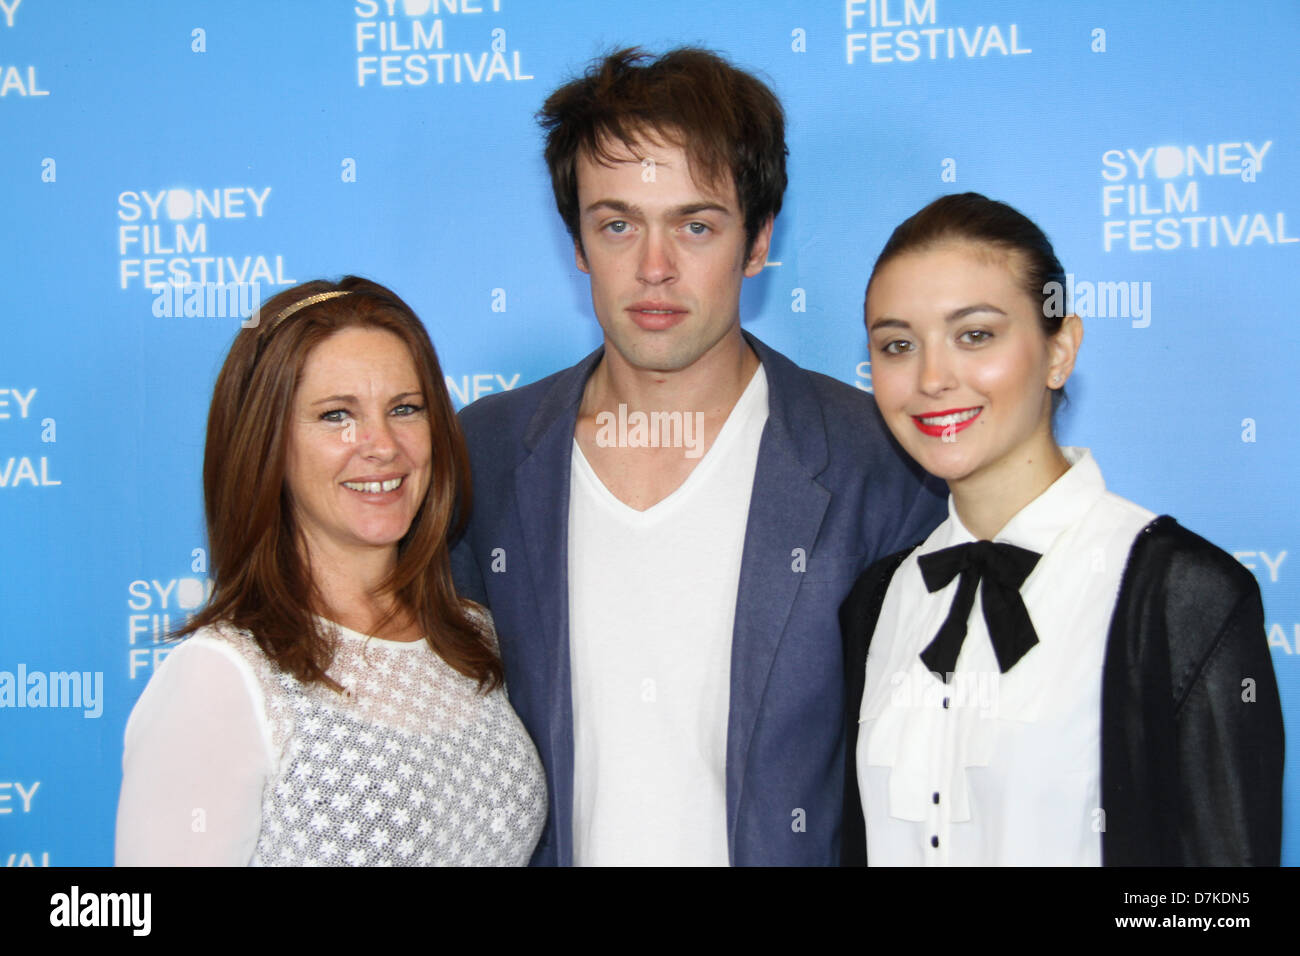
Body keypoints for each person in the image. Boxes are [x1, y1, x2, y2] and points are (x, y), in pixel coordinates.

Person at [450, 47, 945, 866]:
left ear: (757, 244)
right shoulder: (485, 455)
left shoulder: (877, 463)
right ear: (578, 243)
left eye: (696, 225)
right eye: (617, 224)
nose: (654, 269)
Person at [841, 192, 1284, 866]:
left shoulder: (1182, 593)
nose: (932, 378)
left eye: (975, 335)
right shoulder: (875, 600)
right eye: (898, 345)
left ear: (1060, 349)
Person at [116, 277, 546, 866]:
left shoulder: (474, 634)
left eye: (405, 408)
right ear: (266, 444)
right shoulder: (222, 677)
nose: (381, 445)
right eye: (336, 415)